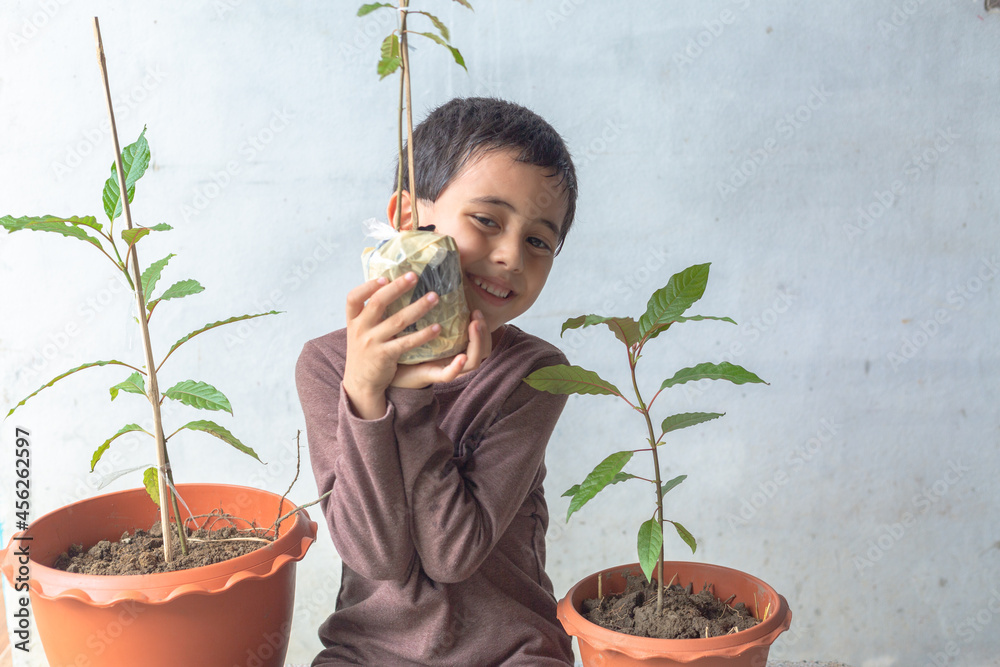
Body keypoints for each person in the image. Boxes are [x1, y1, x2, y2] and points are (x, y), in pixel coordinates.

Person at [296, 97, 578, 666]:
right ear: (408, 217)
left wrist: (410, 394)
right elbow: (376, 556)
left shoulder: (537, 374)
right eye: (486, 220)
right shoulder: (329, 366)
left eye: (539, 241)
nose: (509, 256)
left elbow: (453, 553)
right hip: (368, 653)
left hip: (512, 652)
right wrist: (367, 397)